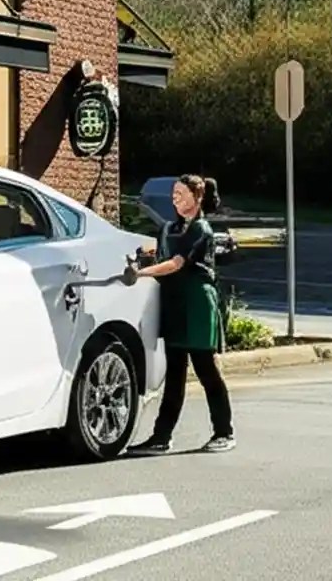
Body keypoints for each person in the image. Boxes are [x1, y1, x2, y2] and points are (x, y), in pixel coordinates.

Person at [125, 174, 236, 454]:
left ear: (197, 198)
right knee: (174, 373)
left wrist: (140, 273)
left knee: (206, 370)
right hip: (174, 302)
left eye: (182, 194)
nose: (176, 199)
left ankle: (224, 432)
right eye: (174, 194)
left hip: (197, 303)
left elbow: (175, 263)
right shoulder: (169, 228)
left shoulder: (201, 229)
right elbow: (161, 256)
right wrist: (143, 258)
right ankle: (161, 437)